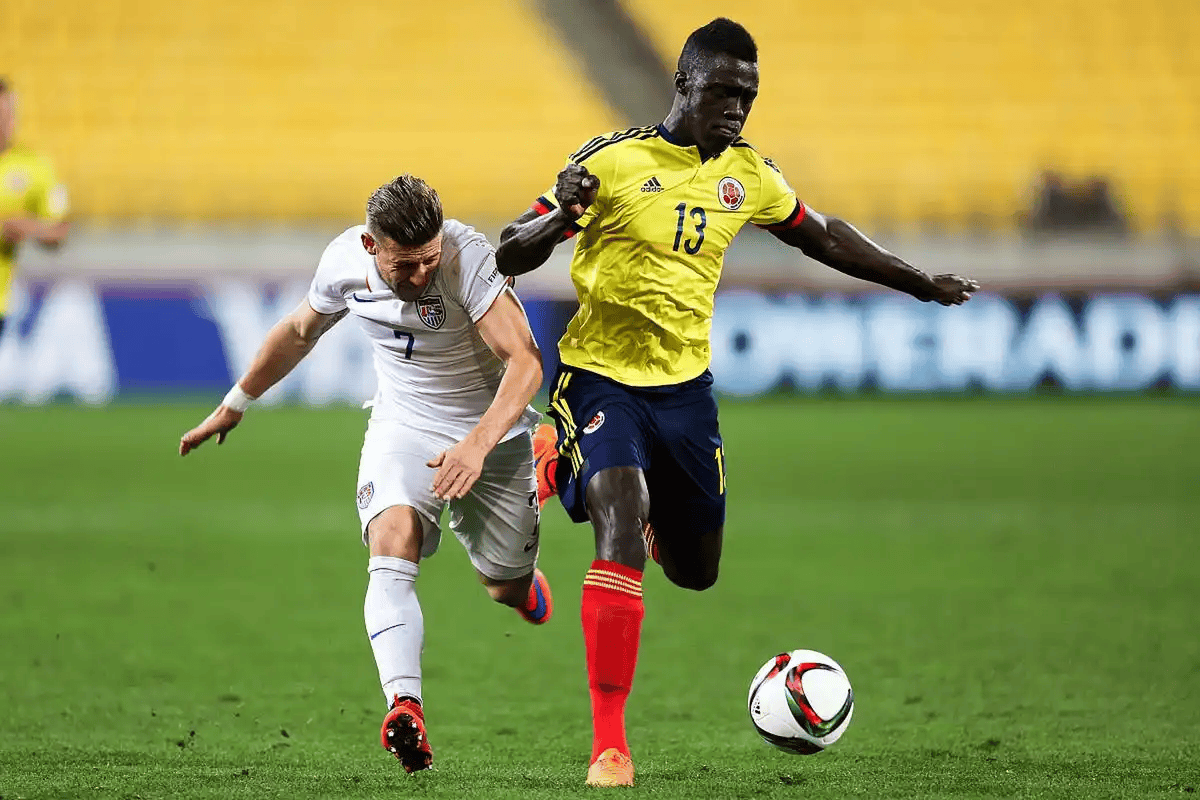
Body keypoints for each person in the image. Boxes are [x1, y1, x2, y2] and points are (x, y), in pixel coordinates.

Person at [495, 18, 979, 787]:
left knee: (695, 572)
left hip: (686, 395)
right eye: (723, 91)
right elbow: (507, 250)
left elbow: (824, 235)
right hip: (600, 378)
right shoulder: (611, 160)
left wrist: (919, 281)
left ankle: (568, 468)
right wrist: (560, 213)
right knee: (619, 516)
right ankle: (609, 745)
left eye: (747, 96)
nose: (736, 108)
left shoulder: (749, 175)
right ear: (684, 83)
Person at [179, 175, 555, 774]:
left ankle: (527, 561)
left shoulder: (466, 257)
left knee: (503, 586)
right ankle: (405, 705)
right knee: (390, 540)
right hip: (403, 424)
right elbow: (298, 332)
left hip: (492, 434)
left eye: (430, 259)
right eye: (406, 264)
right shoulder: (342, 265)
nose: (422, 275)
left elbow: (526, 363)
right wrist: (236, 402)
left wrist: (477, 445)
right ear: (370, 245)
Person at [0, 78, 70, 336]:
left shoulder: (34, 166)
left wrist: (31, 228)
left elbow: (59, 229)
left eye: (8, 115)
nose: (4, 123)